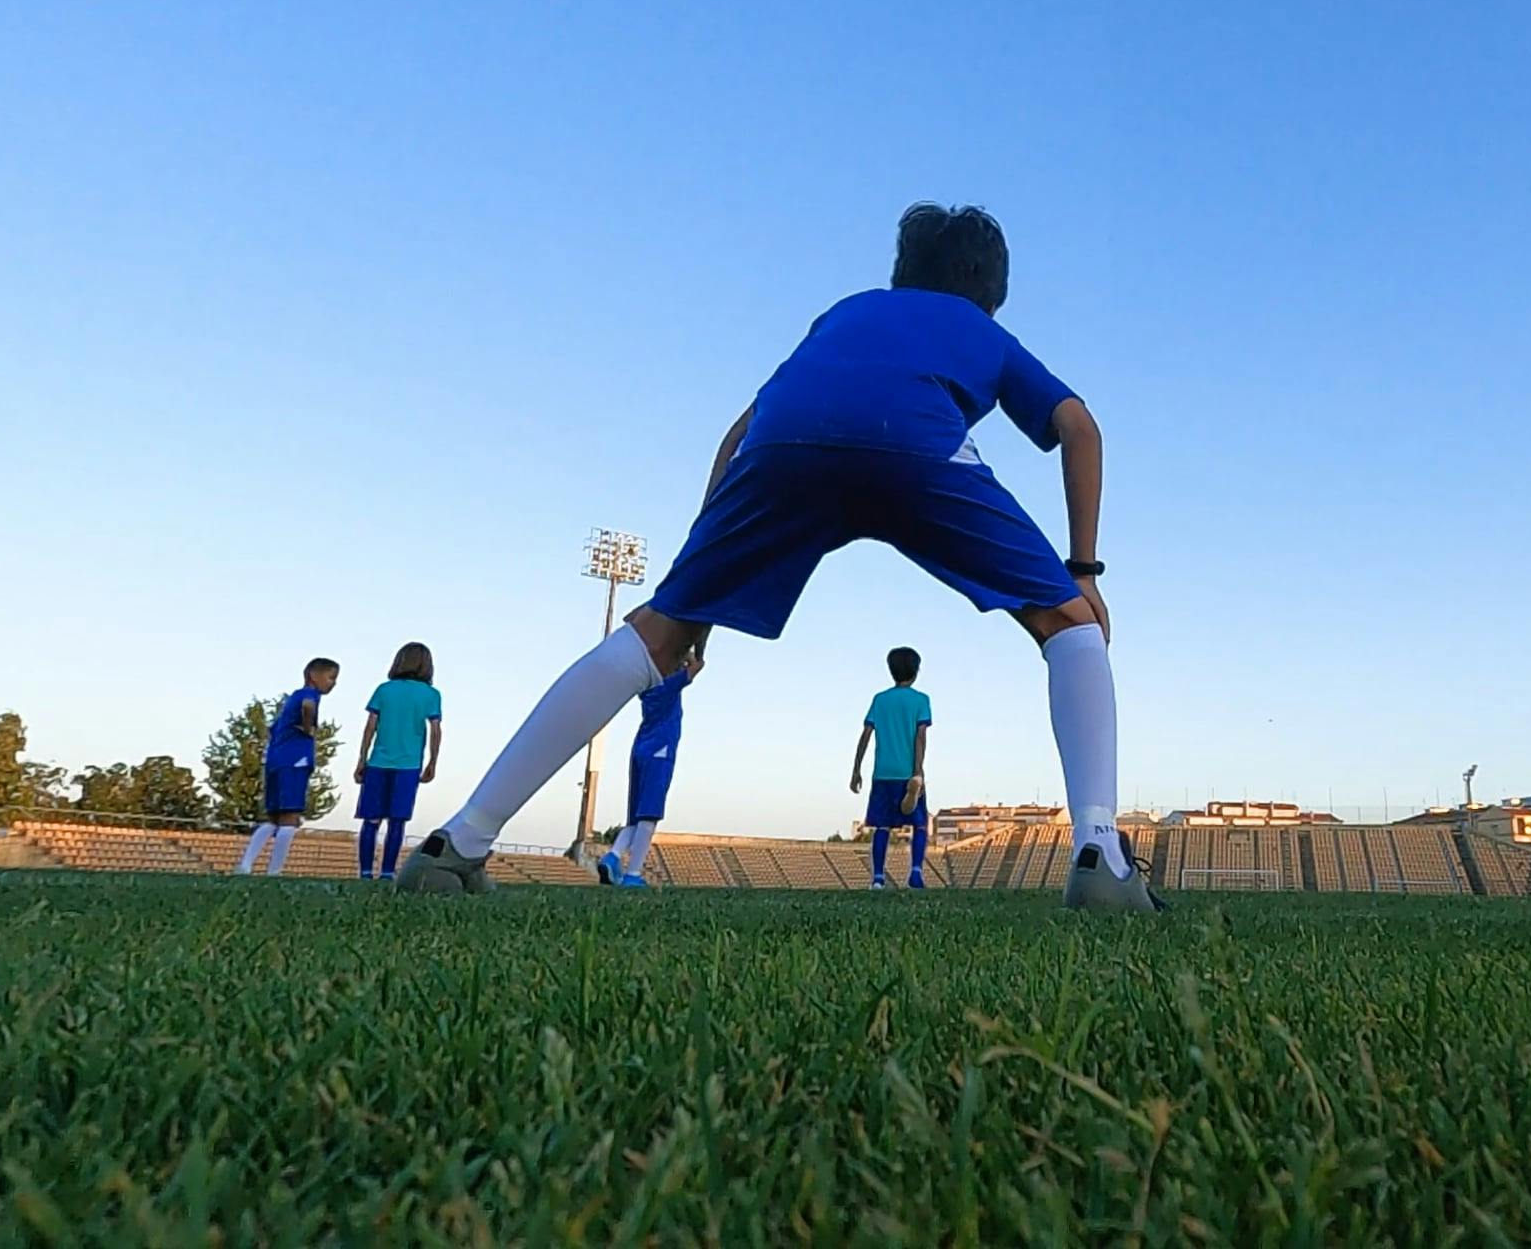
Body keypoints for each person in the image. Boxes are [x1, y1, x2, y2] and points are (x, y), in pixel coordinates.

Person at [401, 202, 1156, 911]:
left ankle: (458, 841)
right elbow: (1078, 426)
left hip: (782, 448)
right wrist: (1083, 572)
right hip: (917, 445)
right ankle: (1098, 855)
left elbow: (740, 431)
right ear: (993, 289)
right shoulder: (981, 331)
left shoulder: (845, 313)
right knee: (1069, 625)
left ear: (903, 270)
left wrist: (695, 579)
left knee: (656, 634)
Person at [599, 655, 702, 888]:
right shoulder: (670, 683)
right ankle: (633, 873)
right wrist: (687, 651)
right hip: (660, 750)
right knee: (649, 814)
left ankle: (613, 855)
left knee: (635, 816)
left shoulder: (648, 687)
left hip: (640, 748)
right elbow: (698, 664)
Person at [237, 657, 337, 876]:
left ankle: (245, 864)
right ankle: (275, 871)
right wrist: (309, 728)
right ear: (313, 676)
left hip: (275, 761)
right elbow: (308, 707)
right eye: (331, 677)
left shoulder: (291, 699)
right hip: (295, 761)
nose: (333, 683)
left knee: (273, 818)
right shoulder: (309, 695)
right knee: (291, 817)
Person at [352, 642, 443, 881]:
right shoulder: (431, 695)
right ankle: (388, 872)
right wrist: (433, 761)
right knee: (397, 821)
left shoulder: (384, 690)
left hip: (379, 761)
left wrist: (362, 758)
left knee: (371, 820)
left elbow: (370, 726)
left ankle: (365, 872)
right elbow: (435, 729)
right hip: (408, 765)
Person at [850, 647, 932, 889]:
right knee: (919, 824)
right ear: (916, 671)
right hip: (908, 772)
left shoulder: (880, 699)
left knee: (882, 825)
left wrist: (856, 769)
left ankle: (877, 878)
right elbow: (920, 736)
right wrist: (918, 770)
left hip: (882, 772)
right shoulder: (921, 700)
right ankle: (915, 872)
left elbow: (866, 734)